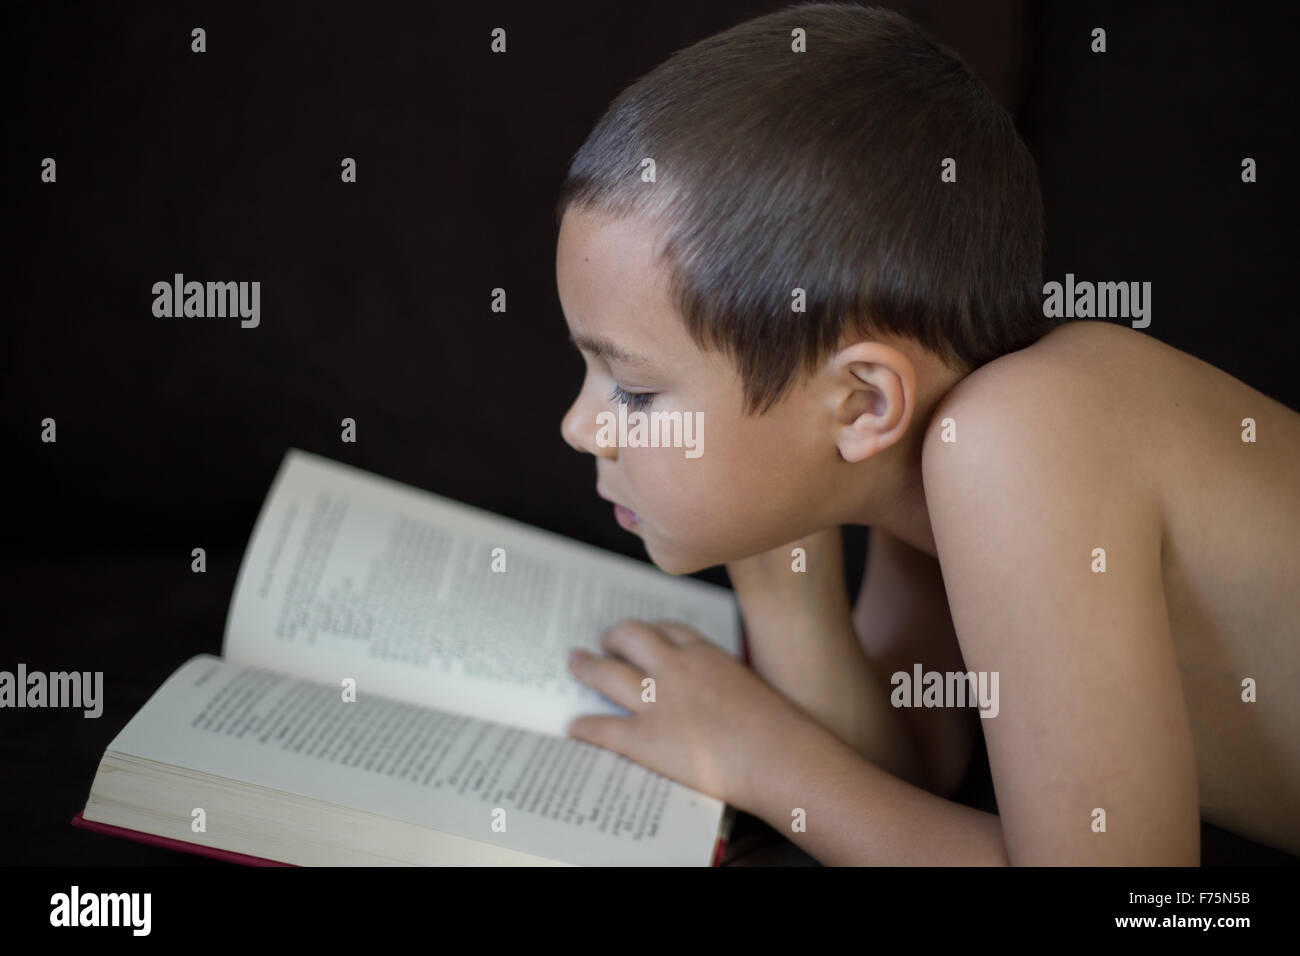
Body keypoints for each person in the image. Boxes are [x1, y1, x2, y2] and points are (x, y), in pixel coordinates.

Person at [552, 3, 1300, 864]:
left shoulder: (1017, 439)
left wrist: (760, 758)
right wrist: (779, 579)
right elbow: (916, 753)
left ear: (866, 404)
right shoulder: (945, 439)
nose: (579, 427)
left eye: (635, 390)